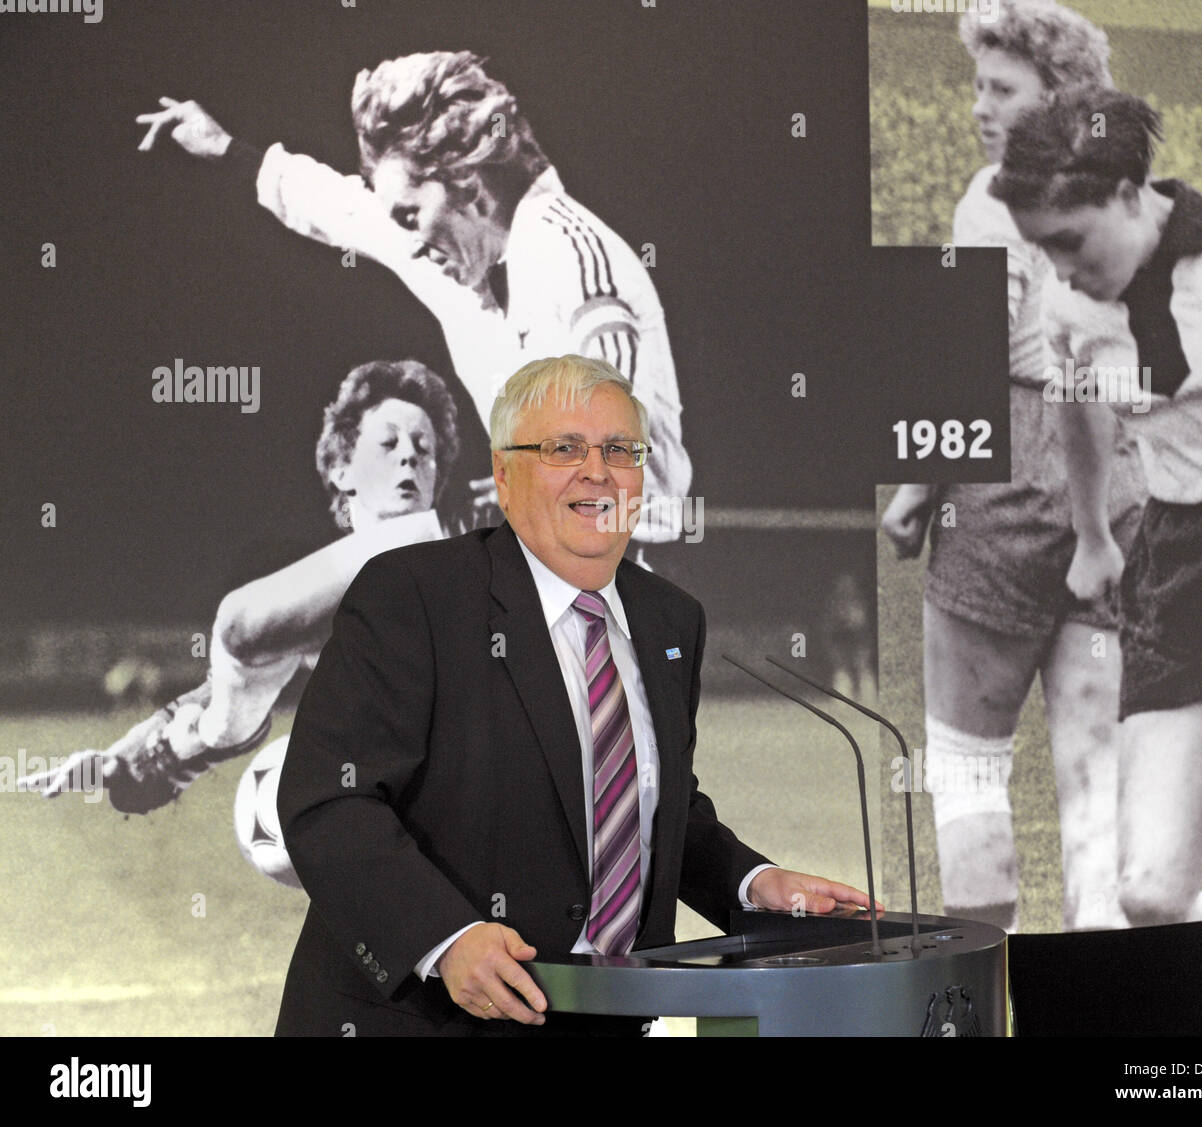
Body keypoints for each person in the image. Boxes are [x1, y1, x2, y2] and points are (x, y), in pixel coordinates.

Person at [273, 354, 880, 1036]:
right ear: (504, 474)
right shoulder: (413, 596)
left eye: (620, 449)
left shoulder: (671, 619)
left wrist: (750, 881)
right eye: (565, 448)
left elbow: (646, 811)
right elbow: (330, 801)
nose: (599, 471)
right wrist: (445, 941)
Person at [992, 86, 1202, 1008]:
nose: (1060, 267)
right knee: (1151, 890)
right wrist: (1092, 533)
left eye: (1071, 240)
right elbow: (1080, 404)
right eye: (1043, 245)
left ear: (1131, 193)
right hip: (1181, 559)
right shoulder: (1073, 306)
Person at [135, 51, 690, 542]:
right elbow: (343, 211)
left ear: (469, 186)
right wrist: (226, 149)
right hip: (537, 558)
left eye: (410, 214)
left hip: (622, 576)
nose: (410, 242)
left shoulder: (574, 255)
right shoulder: (454, 247)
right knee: (257, 623)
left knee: (264, 623)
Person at [879, 0, 1142, 934]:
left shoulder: (995, 194)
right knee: (1092, 776)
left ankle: (979, 1008)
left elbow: (971, 346)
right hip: (1116, 472)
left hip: (1017, 461)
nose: (979, 107)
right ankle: (1119, 1008)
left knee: (967, 766)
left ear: (1057, 95)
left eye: (1002, 88)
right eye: (976, 86)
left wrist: (914, 490)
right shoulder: (1125, 191)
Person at [21, 360, 463, 815]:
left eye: (424, 449)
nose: (410, 455)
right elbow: (225, 707)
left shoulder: (474, 550)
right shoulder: (315, 614)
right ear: (342, 470)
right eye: (388, 443)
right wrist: (138, 760)